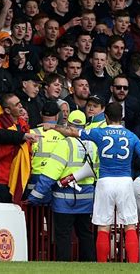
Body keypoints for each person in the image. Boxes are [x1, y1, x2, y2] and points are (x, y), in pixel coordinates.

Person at [51, 102, 140, 263]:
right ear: (121, 117)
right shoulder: (131, 135)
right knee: (130, 224)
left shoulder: (99, 133)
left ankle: (102, 265)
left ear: (106, 117)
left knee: (103, 225)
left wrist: (53, 127)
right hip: (124, 181)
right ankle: (134, 265)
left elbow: (73, 132)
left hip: (105, 181)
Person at [28, 110, 99, 262]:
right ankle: (91, 266)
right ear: (85, 125)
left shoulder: (65, 144)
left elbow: (49, 175)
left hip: (64, 202)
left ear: (67, 125)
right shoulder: (93, 145)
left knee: (63, 236)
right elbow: (97, 173)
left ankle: (64, 265)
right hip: (86, 201)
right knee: (86, 235)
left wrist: (34, 197)